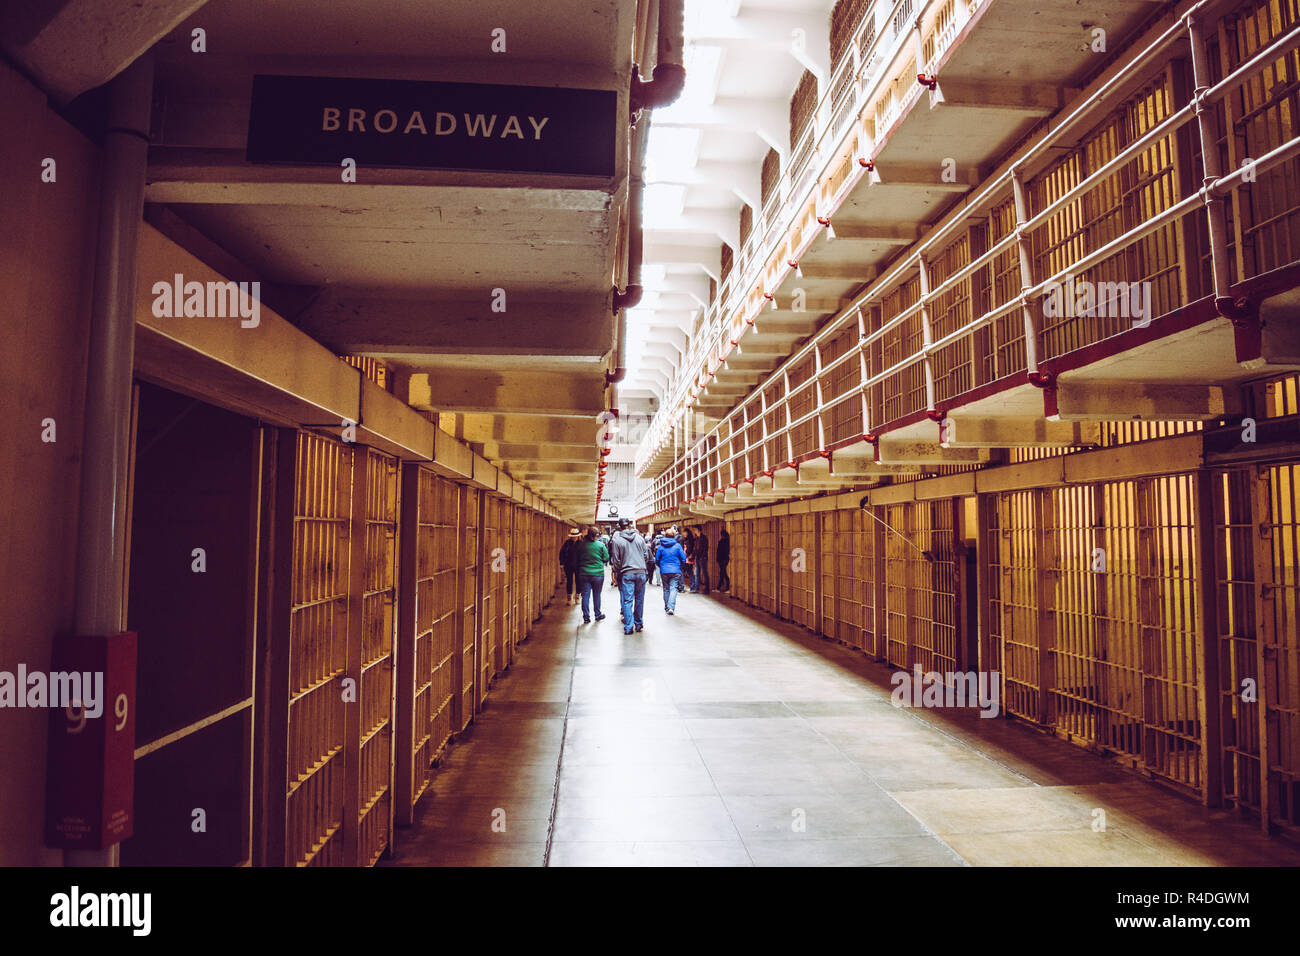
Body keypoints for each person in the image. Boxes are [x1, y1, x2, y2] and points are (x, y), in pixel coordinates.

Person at [608, 517, 651, 634]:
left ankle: (628, 627)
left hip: (626, 573)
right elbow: (646, 555)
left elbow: (616, 560)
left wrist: (618, 572)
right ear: (630, 525)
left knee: (627, 600)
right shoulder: (640, 538)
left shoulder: (617, 541)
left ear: (619, 527)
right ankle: (638, 624)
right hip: (641, 572)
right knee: (639, 599)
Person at [576, 526, 609, 624]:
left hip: (584, 573)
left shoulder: (581, 545)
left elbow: (577, 558)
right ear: (596, 535)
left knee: (585, 596)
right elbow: (606, 558)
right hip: (598, 574)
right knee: (597, 595)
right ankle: (597, 614)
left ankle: (586, 617)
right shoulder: (601, 545)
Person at [654, 528, 688, 615]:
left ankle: (666, 607)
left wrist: (661, 566)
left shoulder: (661, 546)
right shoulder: (677, 546)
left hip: (664, 570)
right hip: (675, 570)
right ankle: (671, 607)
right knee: (673, 588)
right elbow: (683, 558)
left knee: (666, 589)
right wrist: (680, 566)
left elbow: (657, 559)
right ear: (674, 536)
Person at [558, 527, 581, 605]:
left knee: (579, 581)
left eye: (576, 536)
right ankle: (569, 598)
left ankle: (577, 596)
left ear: (578, 536)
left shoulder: (581, 544)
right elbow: (562, 553)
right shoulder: (567, 543)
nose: (574, 537)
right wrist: (561, 564)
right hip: (568, 565)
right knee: (569, 581)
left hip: (579, 566)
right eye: (573, 536)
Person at [694, 528, 711, 594]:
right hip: (697, 557)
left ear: (698, 530)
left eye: (695, 530)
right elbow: (696, 548)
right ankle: (696, 588)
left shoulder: (704, 538)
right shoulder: (697, 538)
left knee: (704, 573)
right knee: (697, 573)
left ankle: (707, 589)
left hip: (702, 558)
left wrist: (702, 556)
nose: (694, 531)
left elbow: (705, 548)